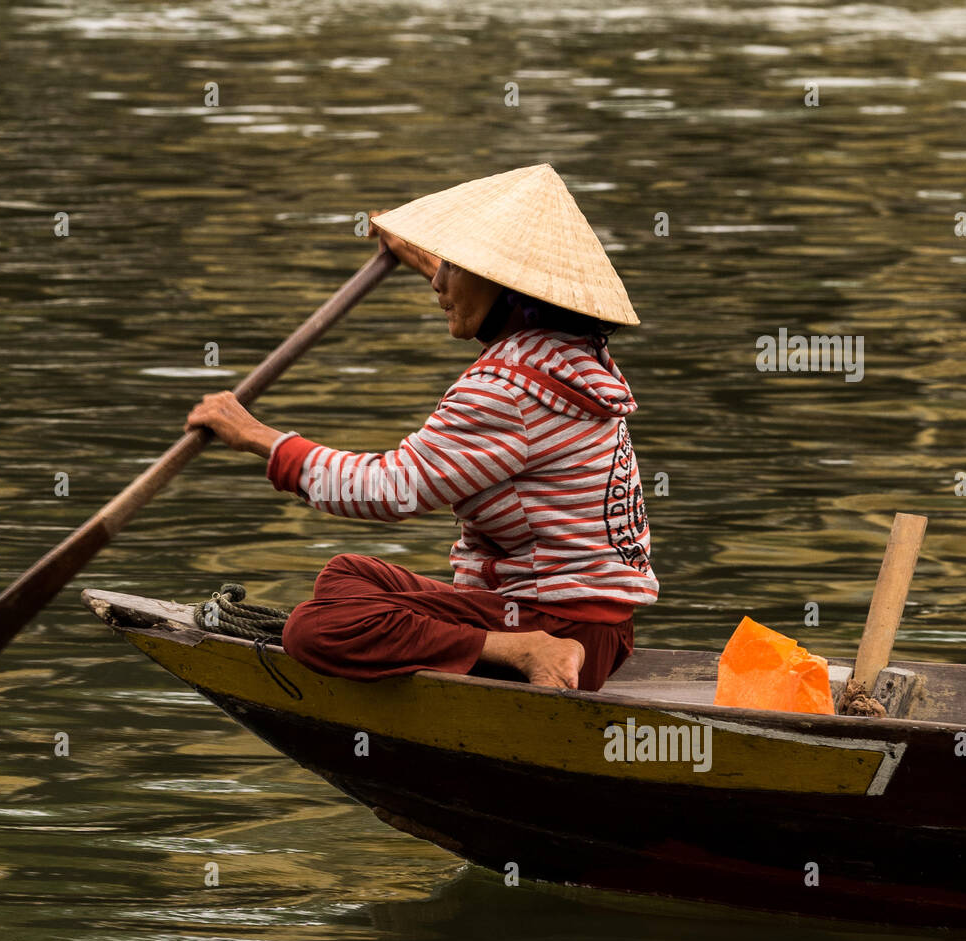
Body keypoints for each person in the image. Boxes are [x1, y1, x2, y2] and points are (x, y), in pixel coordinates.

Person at [186, 163, 657, 690]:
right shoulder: (570, 353)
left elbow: (388, 491)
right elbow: (494, 297)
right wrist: (415, 252)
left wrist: (256, 437)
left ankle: (522, 651)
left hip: (556, 628)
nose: (437, 282)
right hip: (601, 630)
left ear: (504, 287)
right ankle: (510, 641)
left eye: (451, 269)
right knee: (347, 576)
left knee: (315, 627)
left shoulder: (506, 392)